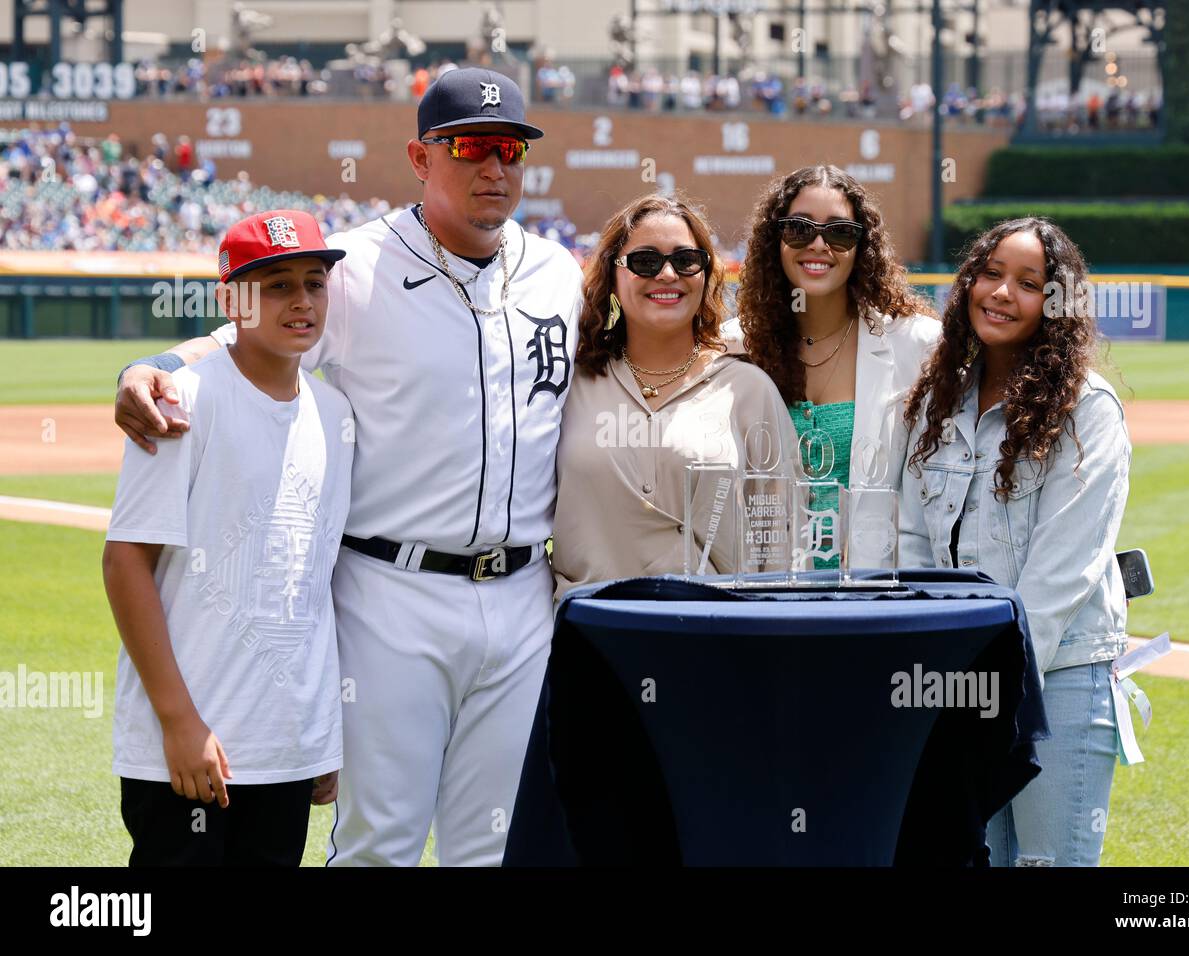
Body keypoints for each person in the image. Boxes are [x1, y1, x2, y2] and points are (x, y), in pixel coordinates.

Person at [112, 68, 584, 866]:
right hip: (390, 593)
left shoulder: (560, 272)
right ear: (421, 157)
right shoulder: (354, 267)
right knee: (380, 843)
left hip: (521, 596)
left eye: (510, 148)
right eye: (469, 146)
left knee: (493, 846)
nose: (494, 166)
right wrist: (150, 365)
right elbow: (240, 340)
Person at [102, 209, 352, 866]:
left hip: (286, 747)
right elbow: (127, 561)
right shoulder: (184, 398)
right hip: (187, 748)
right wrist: (179, 721)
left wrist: (320, 734)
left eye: (314, 281)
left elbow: (315, 581)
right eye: (275, 285)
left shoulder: (335, 413)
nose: (300, 300)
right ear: (231, 300)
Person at [897, 217, 1131, 866]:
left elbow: (1064, 571)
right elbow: (916, 547)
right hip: (963, 678)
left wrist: (997, 679)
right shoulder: (938, 401)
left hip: (1055, 677)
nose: (1001, 292)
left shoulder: (1087, 408)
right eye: (991, 273)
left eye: (1028, 283)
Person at [552, 194, 797, 598]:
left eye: (686, 261)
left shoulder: (748, 388)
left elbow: (781, 542)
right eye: (645, 261)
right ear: (613, 275)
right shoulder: (570, 384)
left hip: (716, 636)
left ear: (705, 274)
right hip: (592, 637)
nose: (667, 274)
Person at [731, 164, 939, 567]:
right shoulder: (734, 347)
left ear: (862, 246)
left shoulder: (917, 346)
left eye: (840, 232)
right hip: (767, 603)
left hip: (875, 606)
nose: (819, 245)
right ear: (774, 240)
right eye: (799, 229)